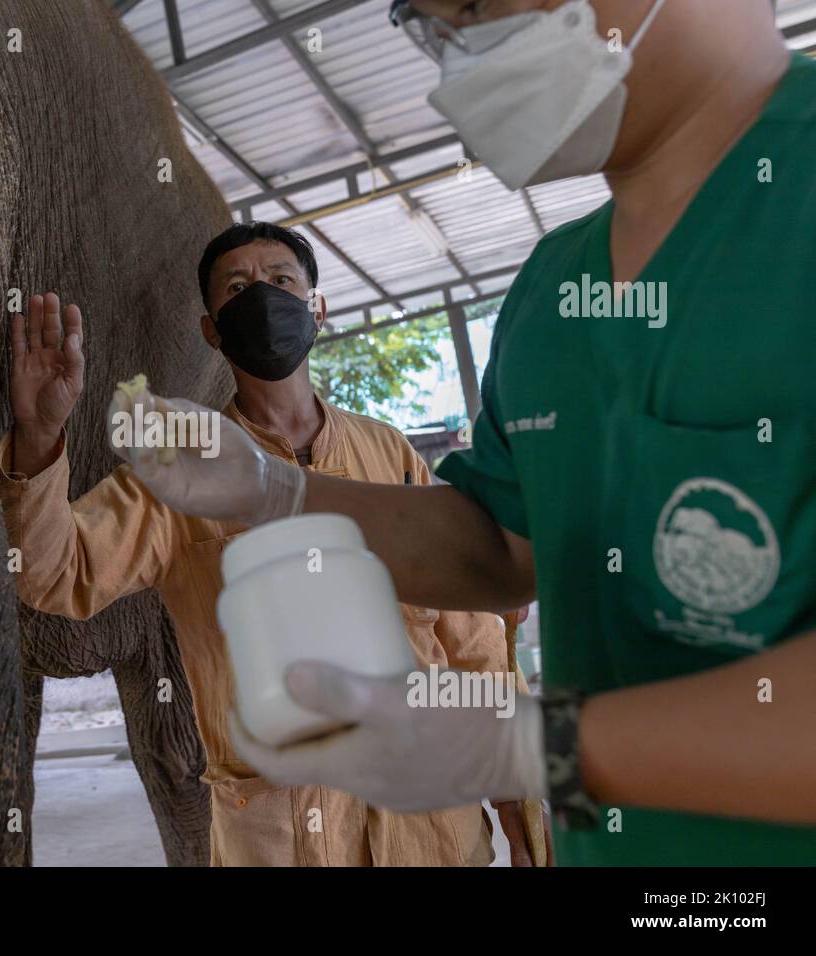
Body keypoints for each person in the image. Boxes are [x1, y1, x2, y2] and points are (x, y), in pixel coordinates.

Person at [116, 0, 816, 866]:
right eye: (431, 24)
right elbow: (499, 547)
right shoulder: (554, 292)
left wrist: (532, 747)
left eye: (476, 7)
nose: (459, 54)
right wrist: (279, 493)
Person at [0, 222, 546, 865]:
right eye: (238, 287)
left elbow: (473, 641)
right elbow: (56, 573)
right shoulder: (179, 472)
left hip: (434, 830)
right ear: (212, 329)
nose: (262, 295)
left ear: (317, 307)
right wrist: (38, 436)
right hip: (288, 841)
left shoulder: (389, 453)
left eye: (281, 281)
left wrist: (521, 811)